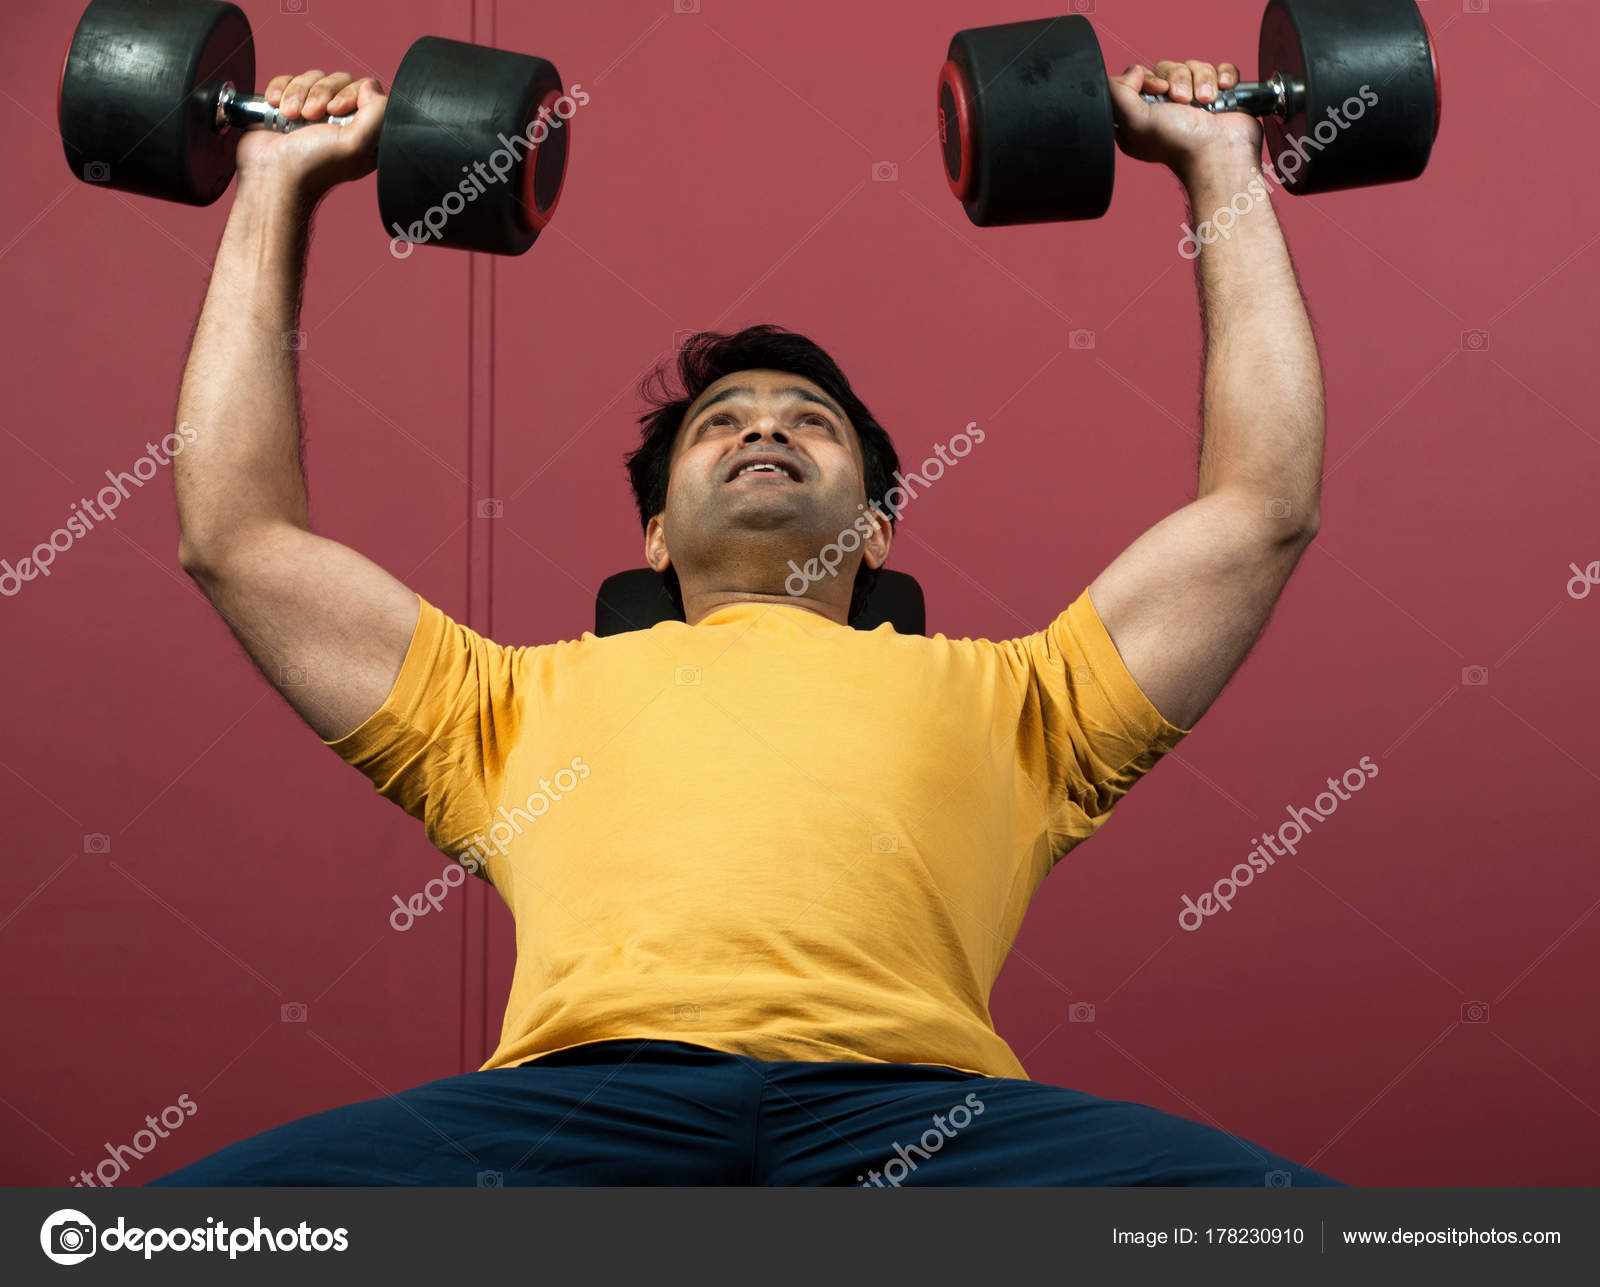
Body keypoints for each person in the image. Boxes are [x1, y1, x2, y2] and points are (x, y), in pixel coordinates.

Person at [151, 55, 1337, 1187]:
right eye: (720, 423)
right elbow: (238, 537)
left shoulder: (1028, 701)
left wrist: (1219, 160)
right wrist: (275, 179)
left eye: (810, 422)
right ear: (655, 538)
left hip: (924, 1118)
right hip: (579, 1108)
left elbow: (1261, 509)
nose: (764, 427)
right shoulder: (497, 706)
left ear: (874, 531)